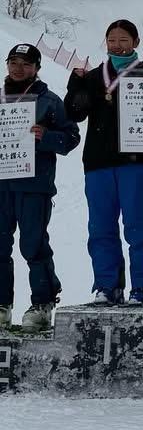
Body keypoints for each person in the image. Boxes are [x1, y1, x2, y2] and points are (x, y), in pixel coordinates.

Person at [64, 19, 143, 306]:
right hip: (98, 162)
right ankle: (107, 286)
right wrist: (75, 85)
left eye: (123, 39)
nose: (117, 45)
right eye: (112, 39)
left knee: (137, 223)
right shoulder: (92, 76)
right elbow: (76, 113)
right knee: (100, 227)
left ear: (136, 42)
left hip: (135, 161)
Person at [0, 43, 80, 331]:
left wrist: (46, 136)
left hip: (34, 184)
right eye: (13, 62)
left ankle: (43, 302)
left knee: (33, 244)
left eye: (26, 63)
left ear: (36, 68)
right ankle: (2, 304)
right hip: (2, 183)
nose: (18, 68)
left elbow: (71, 138)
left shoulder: (49, 101)